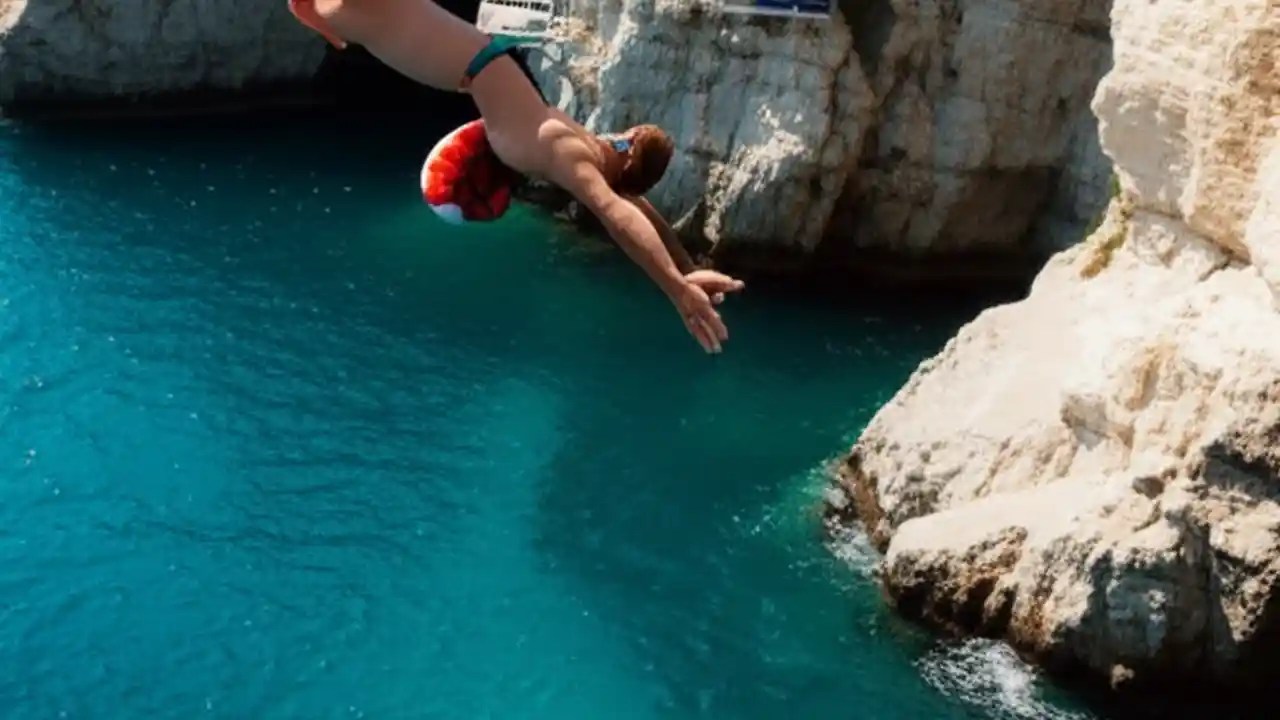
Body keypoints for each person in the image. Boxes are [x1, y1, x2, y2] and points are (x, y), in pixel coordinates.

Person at [287, 0, 745, 354]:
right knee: (346, 17)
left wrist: (675, 289)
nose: (617, 134)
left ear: (626, 159)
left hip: (464, 62)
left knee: (353, 16)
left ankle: (312, 11)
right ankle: (309, 11)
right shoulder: (594, 156)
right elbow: (638, 206)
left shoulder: (574, 157)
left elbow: (617, 212)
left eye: (626, 138)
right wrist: (686, 266)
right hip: (463, 62)